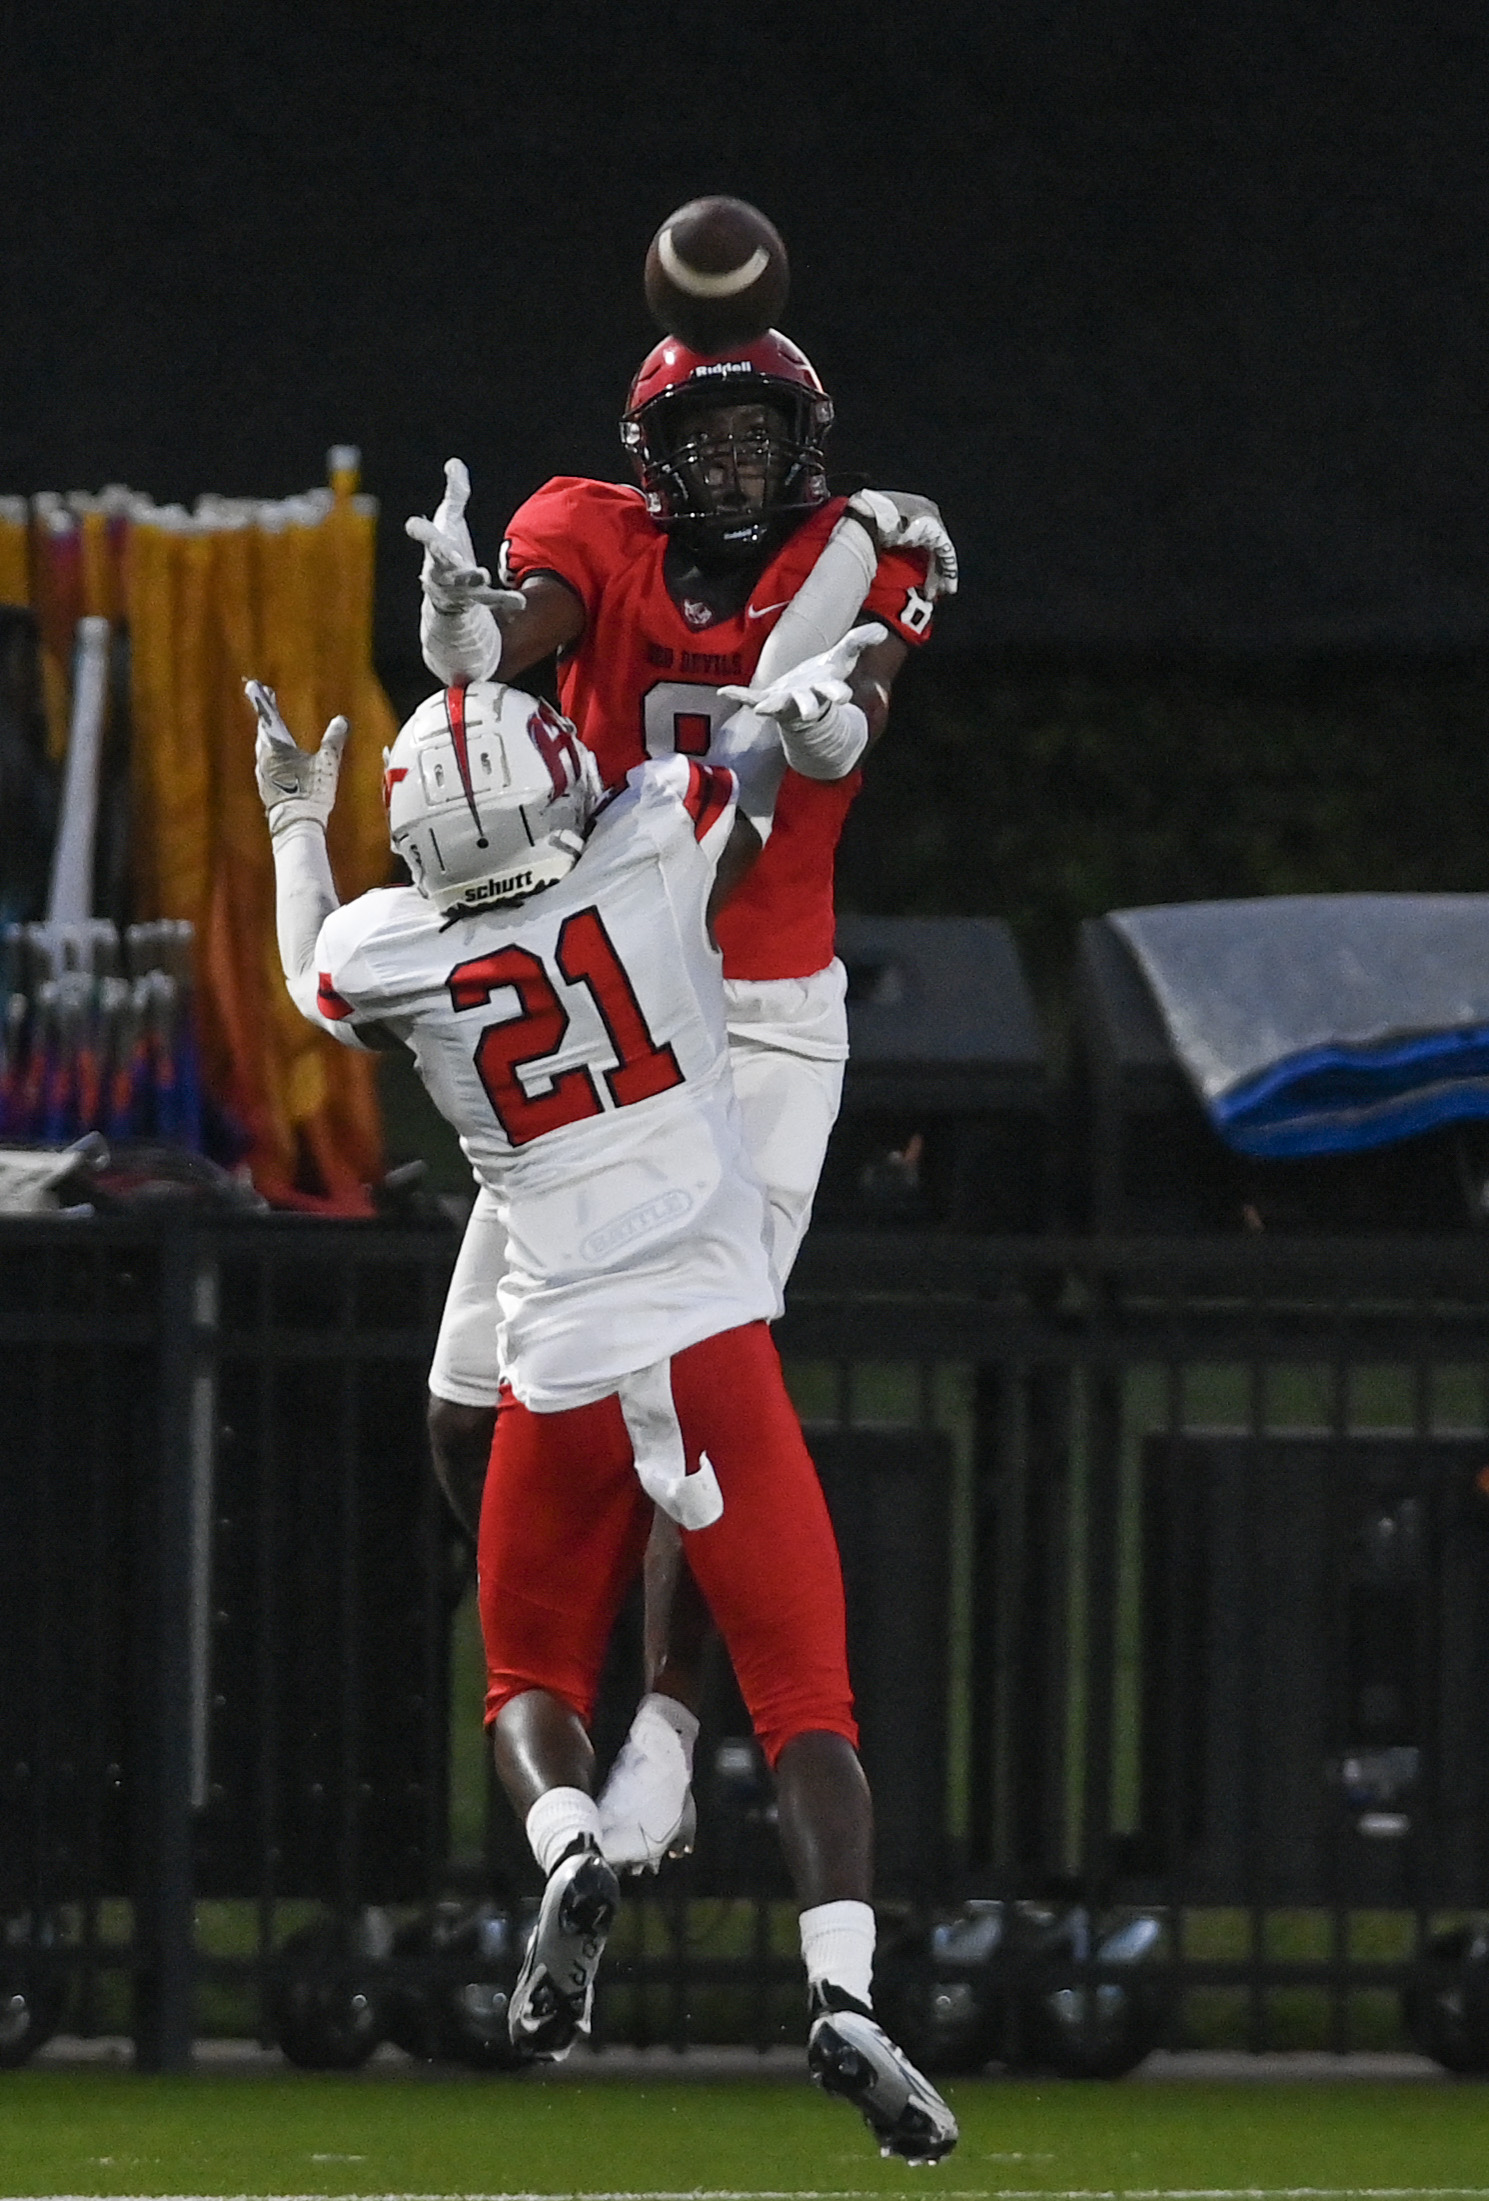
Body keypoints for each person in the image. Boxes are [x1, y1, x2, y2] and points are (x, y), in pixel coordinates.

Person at [248, 671, 959, 2164]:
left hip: (559, 1354)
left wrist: (294, 819)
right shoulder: (644, 844)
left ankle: (569, 1847)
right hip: (707, 1335)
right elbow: (751, 770)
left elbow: (308, 962)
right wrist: (826, 697)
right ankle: (843, 1989)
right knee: (806, 1701)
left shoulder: (396, 954)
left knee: (525, 1675)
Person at [403, 329, 956, 1869]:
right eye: (700, 432)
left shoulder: (861, 551)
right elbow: (516, 626)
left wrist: (836, 715)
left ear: (804, 438)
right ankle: (555, 1661)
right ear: (647, 450)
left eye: (755, 430)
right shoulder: (590, 531)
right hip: (615, 1001)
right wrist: (466, 623)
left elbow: (859, 696)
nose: (729, 460)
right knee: (464, 1407)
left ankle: (667, 1716)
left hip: (760, 1019)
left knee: (699, 1401)